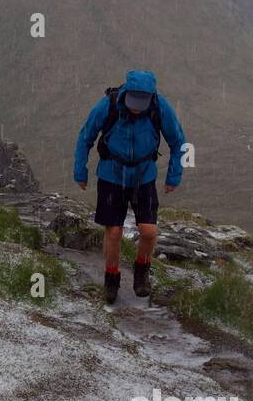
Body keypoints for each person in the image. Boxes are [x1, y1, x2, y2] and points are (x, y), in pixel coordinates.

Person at [73, 70, 187, 305]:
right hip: (111, 176)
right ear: (126, 93)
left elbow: (178, 142)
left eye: (141, 103)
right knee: (113, 232)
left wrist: (174, 175)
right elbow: (85, 137)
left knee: (149, 231)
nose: (137, 108)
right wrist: (80, 171)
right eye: (133, 102)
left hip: (143, 176)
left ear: (150, 97)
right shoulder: (109, 105)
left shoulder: (159, 107)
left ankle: (142, 271)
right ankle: (111, 279)